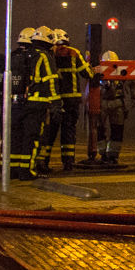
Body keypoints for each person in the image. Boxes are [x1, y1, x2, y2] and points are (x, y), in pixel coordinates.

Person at [6, 27, 44, 181]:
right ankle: (26, 171)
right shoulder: (33, 57)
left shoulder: (13, 56)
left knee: (14, 137)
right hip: (30, 104)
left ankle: (11, 169)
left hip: (12, 103)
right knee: (30, 138)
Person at [49, 28, 90, 170]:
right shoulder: (73, 52)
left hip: (53, 99)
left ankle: (42, 162)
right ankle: (68, 162)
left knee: (50, 131)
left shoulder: (49, 53)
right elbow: (87, 73)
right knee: (69, 130)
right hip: (71, 99)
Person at [92, 52, 135, 167]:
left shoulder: (122, 70)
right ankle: (103, 154)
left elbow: (133, 83)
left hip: (117, 102)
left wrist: (133, 98)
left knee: (117, 129)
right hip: (103, 102)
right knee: (100, 128)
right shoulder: (98, 70)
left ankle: (112, 155)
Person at [28, 27, 61, 174]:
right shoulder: (45, 57)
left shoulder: (24, 54)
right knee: (39, 136)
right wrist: (56, 104)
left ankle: (19, 167)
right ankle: (34, 167)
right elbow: (51, 82)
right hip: (39, 103)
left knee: (22, 135)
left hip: (20, 103)